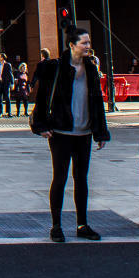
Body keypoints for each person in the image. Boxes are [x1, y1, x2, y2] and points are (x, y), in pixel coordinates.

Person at [31, 26, 110, 242]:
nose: (88, 46)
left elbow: (97, 102)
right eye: (84, 43)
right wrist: (40, 125)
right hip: (61, 132)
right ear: (72, 45)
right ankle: (56, 226)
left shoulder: (91, 68)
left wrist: (100, 132)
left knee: (81, 179)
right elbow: (42, 98)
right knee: (60, 177)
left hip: (84, 133)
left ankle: (82, 224)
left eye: (88, 42)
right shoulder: (56, 68)